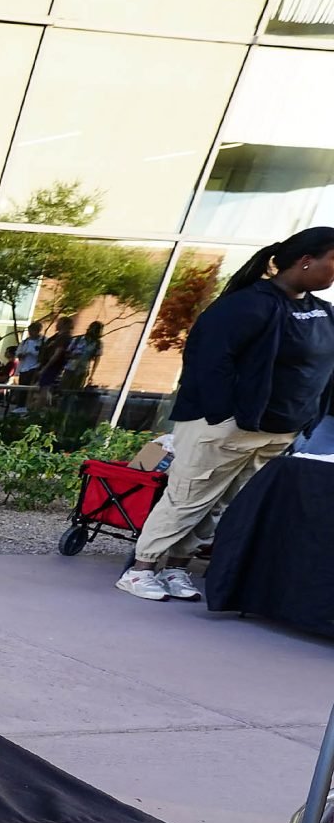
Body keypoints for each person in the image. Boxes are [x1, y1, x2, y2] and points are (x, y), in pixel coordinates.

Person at [116, 226, 334, 602]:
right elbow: (208, 361)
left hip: (278, 430)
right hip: (226, 426)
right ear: (305, 260)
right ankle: (140, 569)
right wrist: (224, 416)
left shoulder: (321, 311)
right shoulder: (247, 305)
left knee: (220, 504)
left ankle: (176, 567)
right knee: (188, 497)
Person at [15, 319, 44, 386]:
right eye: (29, 331)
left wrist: (32, 353)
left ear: (38, 331)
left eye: (32, 331)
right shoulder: (25, 342)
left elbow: (43, 354)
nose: (30, 333)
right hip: (23, 368)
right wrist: (21, 355)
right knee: (22, 387)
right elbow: (18, 353)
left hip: (34, 368)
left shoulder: (43, 341)